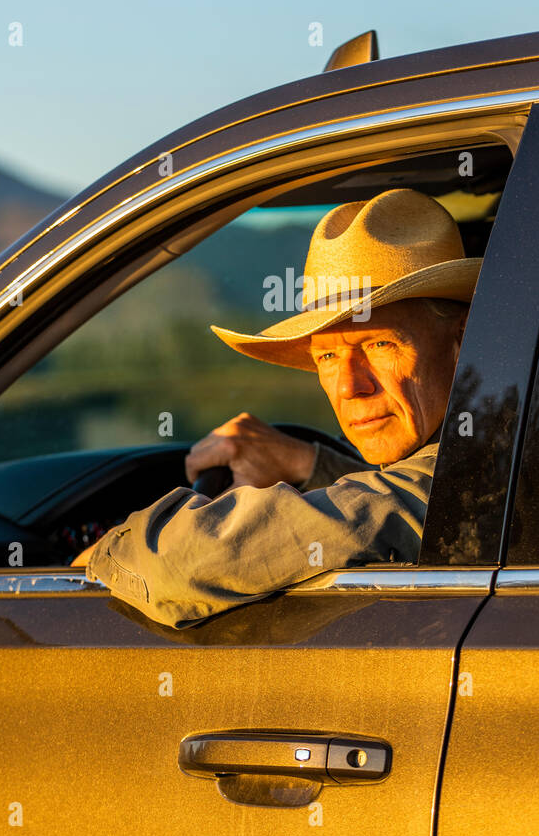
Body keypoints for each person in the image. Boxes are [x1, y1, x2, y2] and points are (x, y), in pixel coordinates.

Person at [74, 188, 481, 627]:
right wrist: (308, 463)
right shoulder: (482, 444)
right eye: (326, 357)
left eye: (380, 344)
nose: (348, 386)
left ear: (462, 342)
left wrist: (106, 551)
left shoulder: (469, 473)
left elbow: (177, 565)